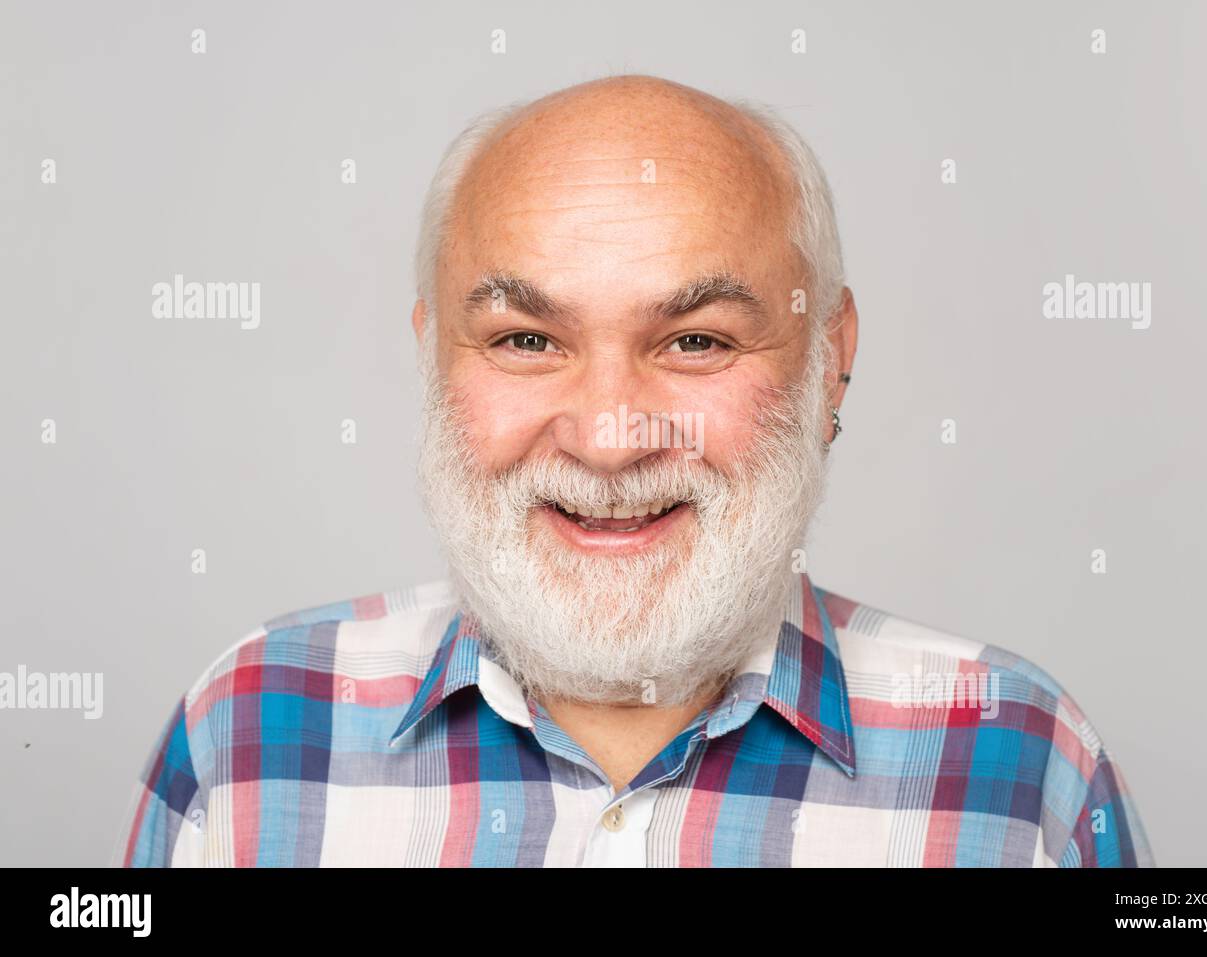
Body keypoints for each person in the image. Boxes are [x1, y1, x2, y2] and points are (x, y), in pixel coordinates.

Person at [116, 74, 1154, 867]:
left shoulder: (1020, 765)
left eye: (695, 342)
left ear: (829, 361)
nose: (610, 441)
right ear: (434, 357)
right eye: (526, 340)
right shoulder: (249, 730)